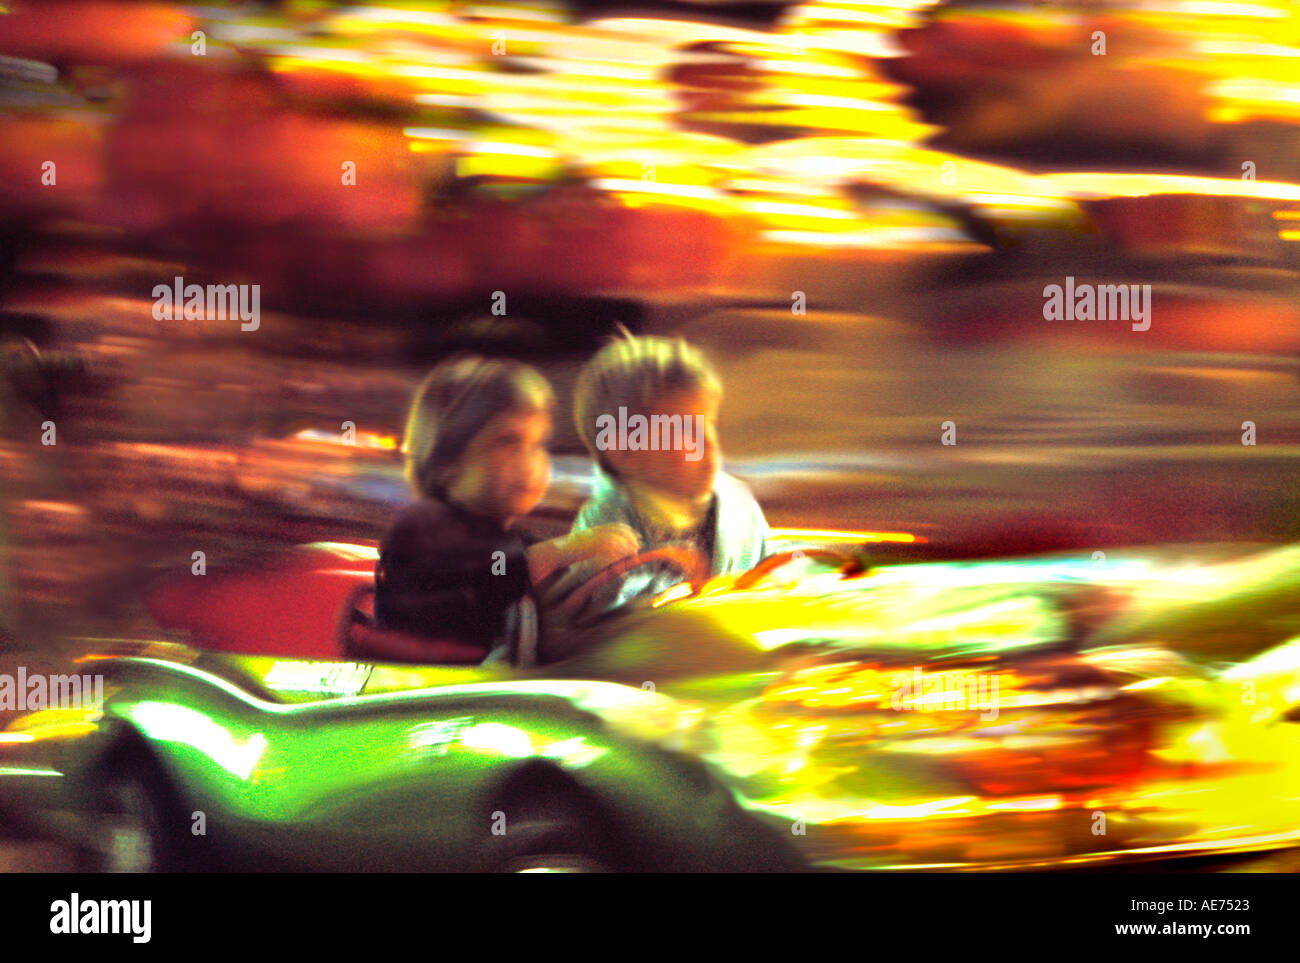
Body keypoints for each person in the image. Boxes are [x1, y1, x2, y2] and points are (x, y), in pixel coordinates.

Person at [373, 356, 639, 663]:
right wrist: (571, 548)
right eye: (507, 442)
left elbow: (539, 571)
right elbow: (497, 573)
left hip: (489, 685)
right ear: (446, 462)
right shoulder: (423, 526)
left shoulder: (506, 537)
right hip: (432, 691)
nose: (529, 462)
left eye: (538, 444)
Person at [567, 332, 769, 616]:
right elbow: (606, 618)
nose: (709, 441)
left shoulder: (739, 506)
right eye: (686, 429)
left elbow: (769, 568)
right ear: (625, 452)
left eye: (709, 422)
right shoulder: (602, 526)